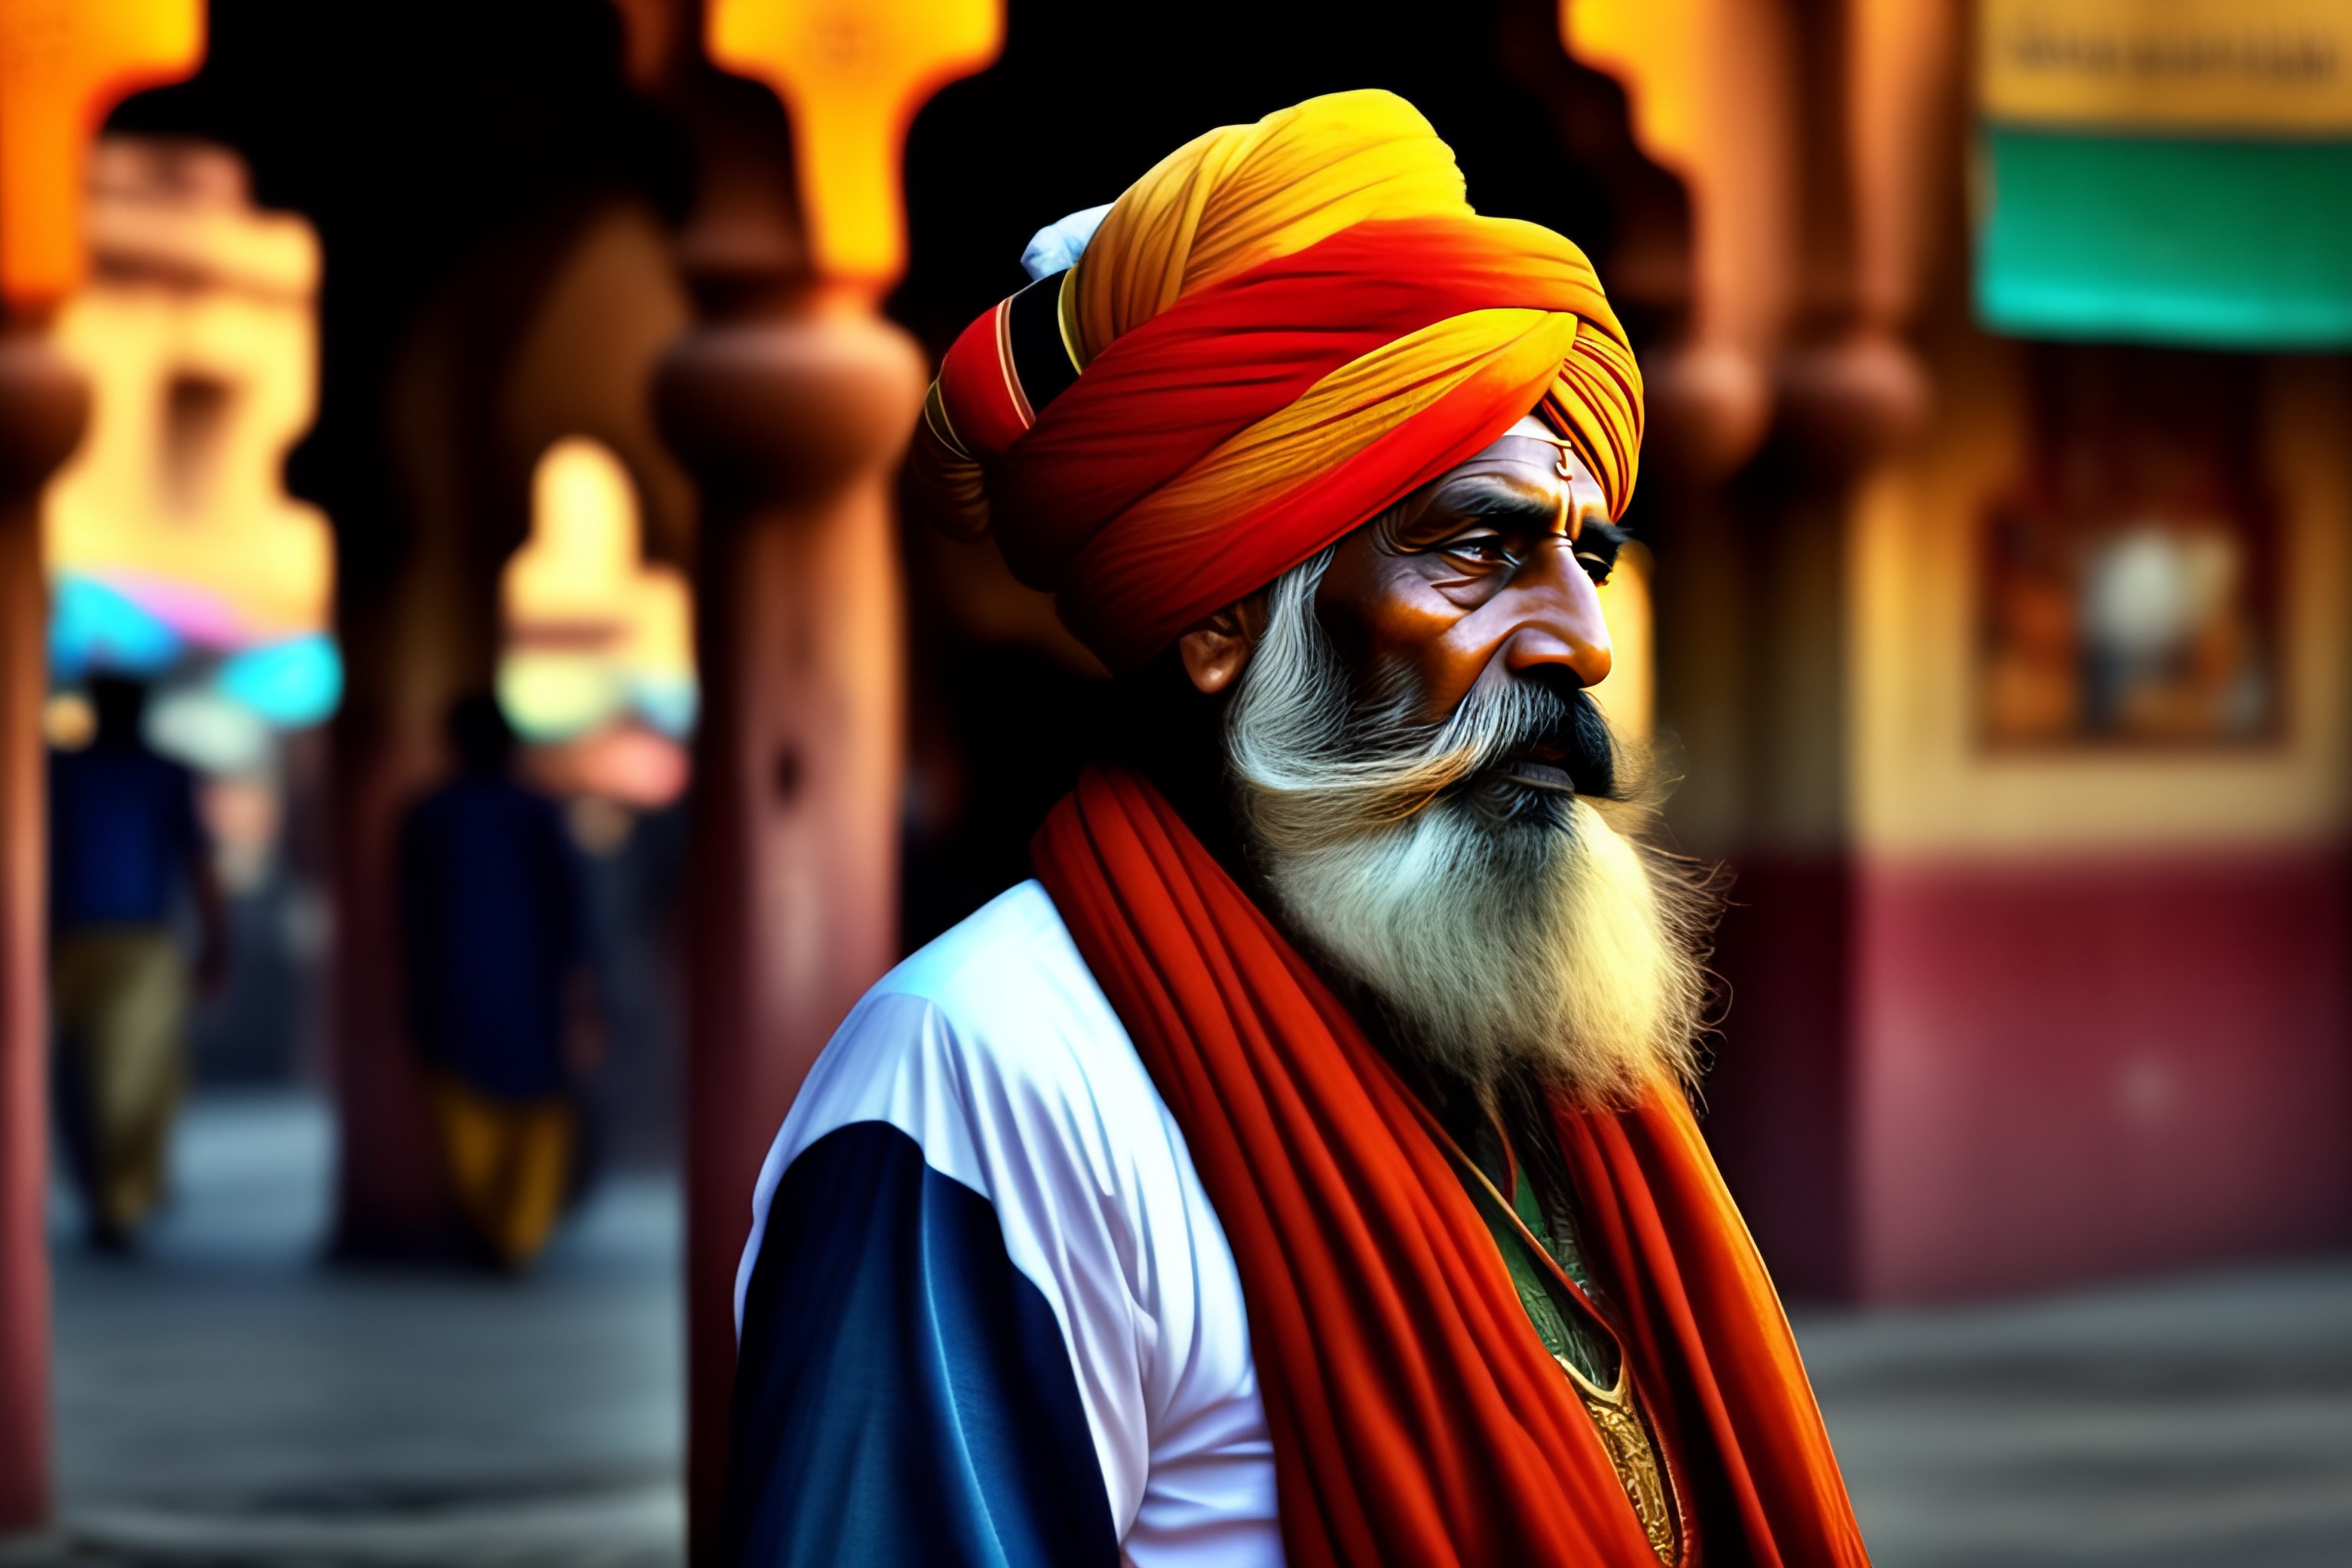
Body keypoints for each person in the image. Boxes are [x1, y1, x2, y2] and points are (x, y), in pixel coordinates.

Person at [723, 92, 1869, 1566]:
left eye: (1587, 555)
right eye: (1478, 544)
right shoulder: (982, 1080)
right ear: (1219, 612)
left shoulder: (1539, 1052)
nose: (1579, 638)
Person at [397, 692, 595, 1269]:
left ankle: (497, 1228)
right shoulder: (541, 813)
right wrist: (586, 992)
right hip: (535, 987)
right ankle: (520, 1234)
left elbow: (410, 918)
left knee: (466, 1117)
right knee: (541, 1117)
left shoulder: (425, 815)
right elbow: (574, 910)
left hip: (452, 986)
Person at [49, 674, 228, 1250]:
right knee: (85, 1076)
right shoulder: (61, 771)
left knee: (131, 1077)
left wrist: (217, 942)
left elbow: (199, 865)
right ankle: (107, 1193)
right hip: (69, 941)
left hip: (140, 943)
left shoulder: (162, 775)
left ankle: (120, 1199)